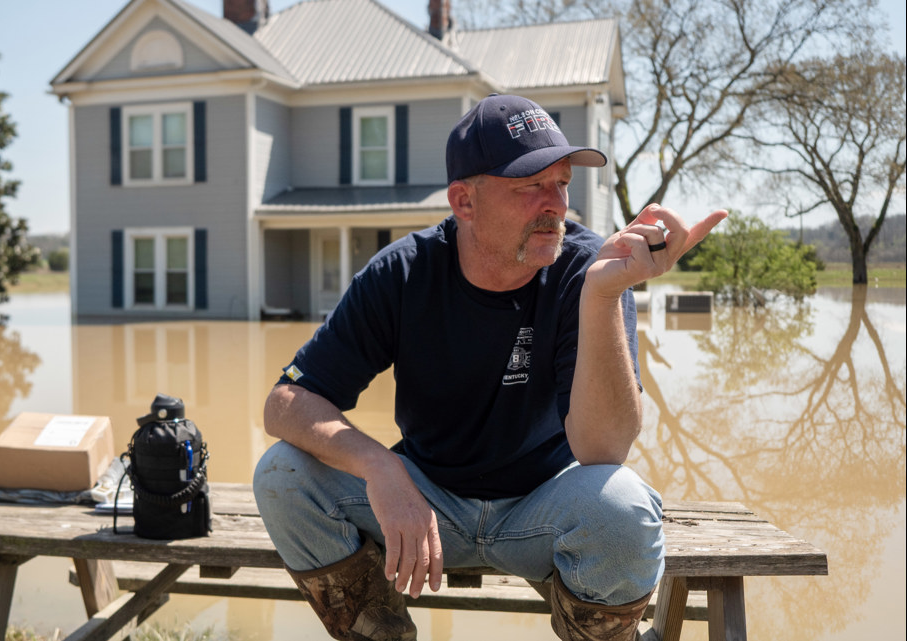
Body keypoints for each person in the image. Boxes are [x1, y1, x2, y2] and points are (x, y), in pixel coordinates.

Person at [253, 93, 726, 641]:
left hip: (545, 509)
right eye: (531, 186)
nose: (556, 205)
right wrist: (380, 467)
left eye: (562, 183)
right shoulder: (403, 273)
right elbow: (285, 403)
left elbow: (605, 450)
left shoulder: (591, 270)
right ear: (464, 201)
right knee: (282, 474)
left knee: (623, 506)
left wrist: (601, 295)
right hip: (428, 501)